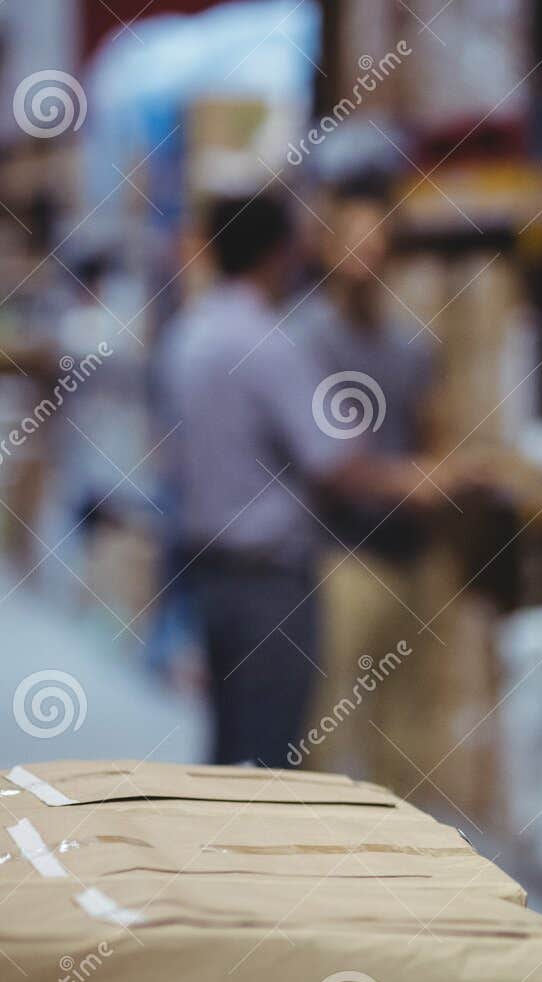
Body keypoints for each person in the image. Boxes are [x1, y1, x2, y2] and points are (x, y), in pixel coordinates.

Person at [161, 191, 450, 769]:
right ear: (282, 252)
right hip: (271, 580)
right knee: (274, 759)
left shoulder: (187, 335)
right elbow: (335, 464)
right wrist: (419, 480)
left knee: (228, 750)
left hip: (208, 571)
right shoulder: (274, 344)